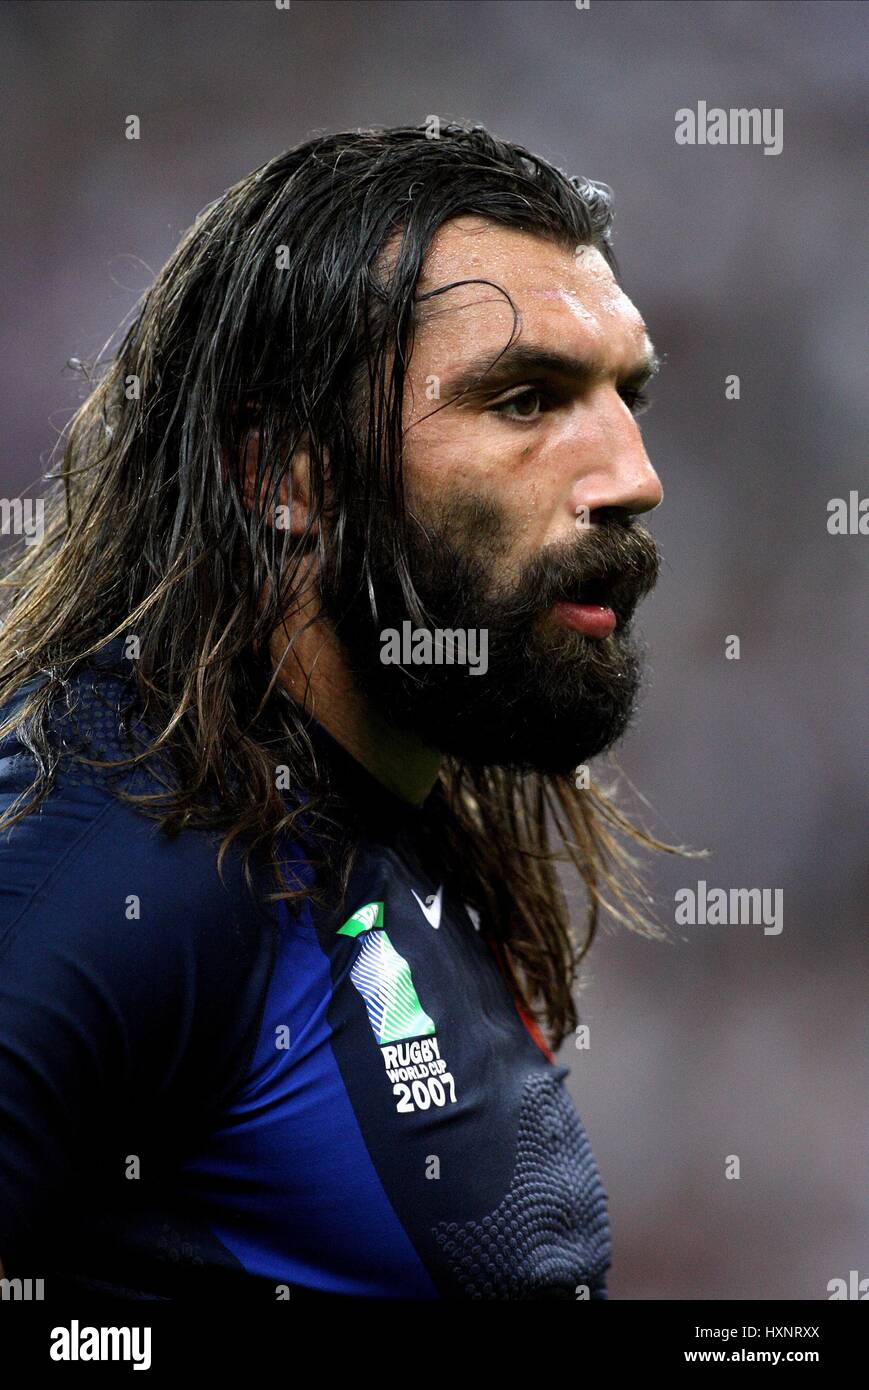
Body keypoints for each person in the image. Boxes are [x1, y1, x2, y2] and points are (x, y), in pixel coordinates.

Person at [0, 123, 672, 1301]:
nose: (632, 474)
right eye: (524, 401)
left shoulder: (381, 812)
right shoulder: (131, 852)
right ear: (281, 476)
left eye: (627, 394)